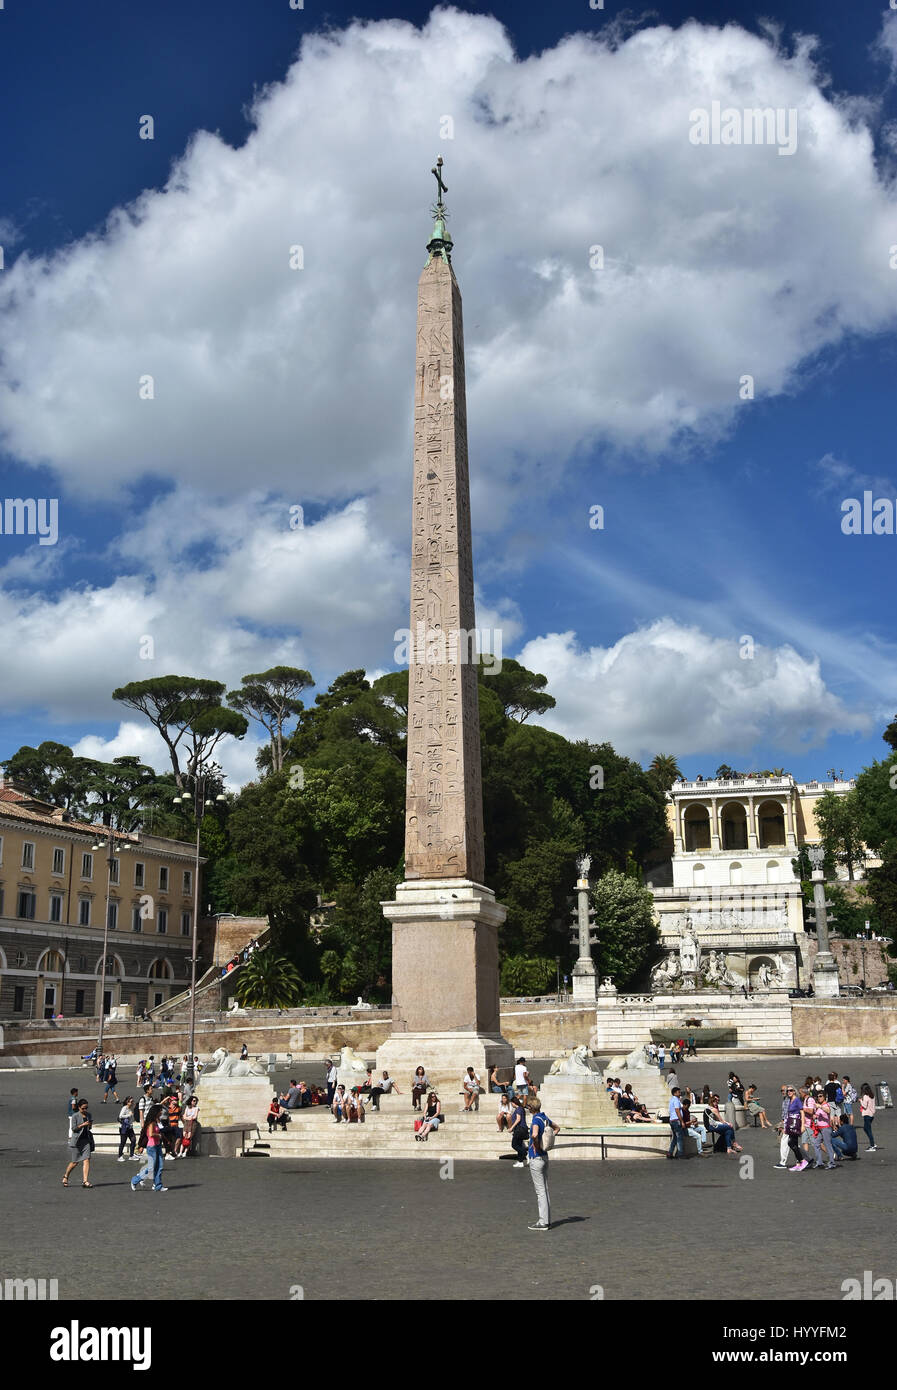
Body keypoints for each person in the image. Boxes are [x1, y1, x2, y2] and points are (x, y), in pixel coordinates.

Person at [527, 1103, 560, 1230]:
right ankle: (547, 1220)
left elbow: (534, 1134)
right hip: (545, 1156)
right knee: (544, 1190)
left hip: (536, 1157)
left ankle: (543, 1222)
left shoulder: (536, 1120)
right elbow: (557, 1128)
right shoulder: (544, 1118)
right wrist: (547, 1141)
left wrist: (536, 1144)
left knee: (540, 1191)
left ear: (531, 1108)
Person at [131, 1103, 167, 1192]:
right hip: (152, 1147)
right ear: (157, 1112)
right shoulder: (151, 1123)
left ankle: (157, 1185)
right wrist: (158, 1135)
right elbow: (151, 1134)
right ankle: (135, 1180)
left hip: (157, 1146)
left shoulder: (156, 1121)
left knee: (160, 1166)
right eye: (160, 1110)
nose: (162, 1111)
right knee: (151, 1168)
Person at [63, 1099, 95, 1187]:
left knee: (87, 1159)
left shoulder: (89, 1115)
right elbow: (73, 1128)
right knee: (75, 1162)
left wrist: (90, 1125)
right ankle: (66, 1176)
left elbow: (90, 1128)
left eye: (86, 1108)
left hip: (86, 1140)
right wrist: (82, 1125)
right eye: (83, 1108)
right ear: (79, 1107)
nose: (85, 1110)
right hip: (77, 1141)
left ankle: (85, 1181)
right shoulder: (75, 1116)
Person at [802, 1089, 837, 1169]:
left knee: (828, 1146)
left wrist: (820, 1106)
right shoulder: (819, 1106)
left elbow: (828, 1111)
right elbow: (817, 1115)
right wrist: (815, 1116)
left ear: (824, 1097)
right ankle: (819, 1162)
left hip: (826, 1128)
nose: (819, 1098)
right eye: (818, 1097)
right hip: (819, 1129)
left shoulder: (826, 1105)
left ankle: (832, 1163)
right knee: (816, 1144)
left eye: (820, 1096)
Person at [508, 1095, 529, 1166]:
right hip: (519, 1129)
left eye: (511, 1103)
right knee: (519, 1145)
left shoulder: (519, 1109)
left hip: (520, 1129)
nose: (511, 1105)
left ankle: (526, 1154)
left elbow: (518, 1119)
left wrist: (511, 1128)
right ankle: (520, 1162)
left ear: (514, 1103)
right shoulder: (519, 1109)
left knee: (514, 1145)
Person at [667, 1086, 686, 1159]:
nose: (680, 1093)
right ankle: (680, 1154)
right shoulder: (675, 1100)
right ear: (675, 1093)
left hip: (672, 1120)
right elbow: (677, 1110)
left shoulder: (672, 1100)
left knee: (675, 1138)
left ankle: (670, 1152)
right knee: (679, 1137)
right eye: (678, 1092)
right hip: (676, 1120)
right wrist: (682, 1121)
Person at [859, 1084, 878, 1152]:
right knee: (866, 1128)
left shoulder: (865, 1096)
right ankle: (872, 1143)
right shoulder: (872, 1096)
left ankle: (872, 1145)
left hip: (867, 1115)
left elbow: (864, 1106)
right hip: (871, 1115)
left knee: (868, 1130)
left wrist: (860, 1100)